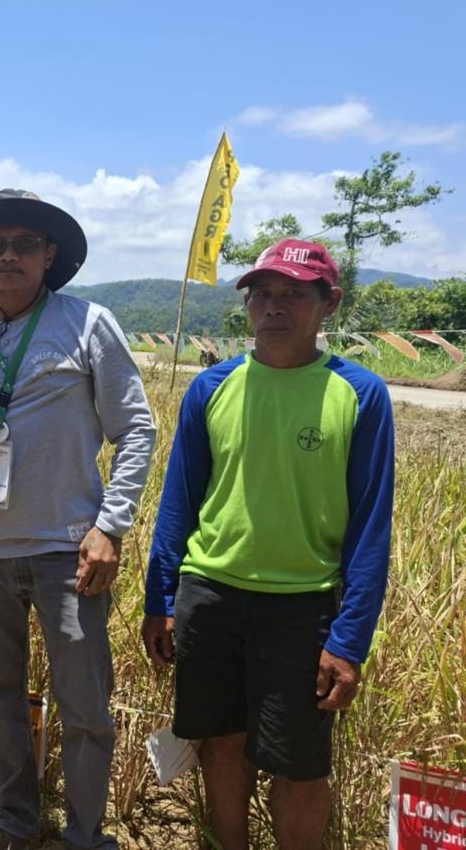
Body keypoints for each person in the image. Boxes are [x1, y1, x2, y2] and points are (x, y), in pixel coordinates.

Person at [0, 189, 156, 850]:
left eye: (24, 243)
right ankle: (12, 822)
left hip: (68, 550)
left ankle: (85, 835)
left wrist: (110, 526)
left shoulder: (87, 325)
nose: (8, 256)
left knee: (85, 706)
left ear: (50, 255)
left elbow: (136, 429)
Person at [142, 239, 394, 850]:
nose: (273, 308)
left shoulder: (359, 394)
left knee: (300, 765)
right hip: (210, 595)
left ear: (327, 304)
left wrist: (350, 638)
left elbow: (370, 527)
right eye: (261, 295)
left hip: (303, 605)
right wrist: (162, 597)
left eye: (293, 294)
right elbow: (179, 502)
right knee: (220, 744)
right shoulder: (211, 388)